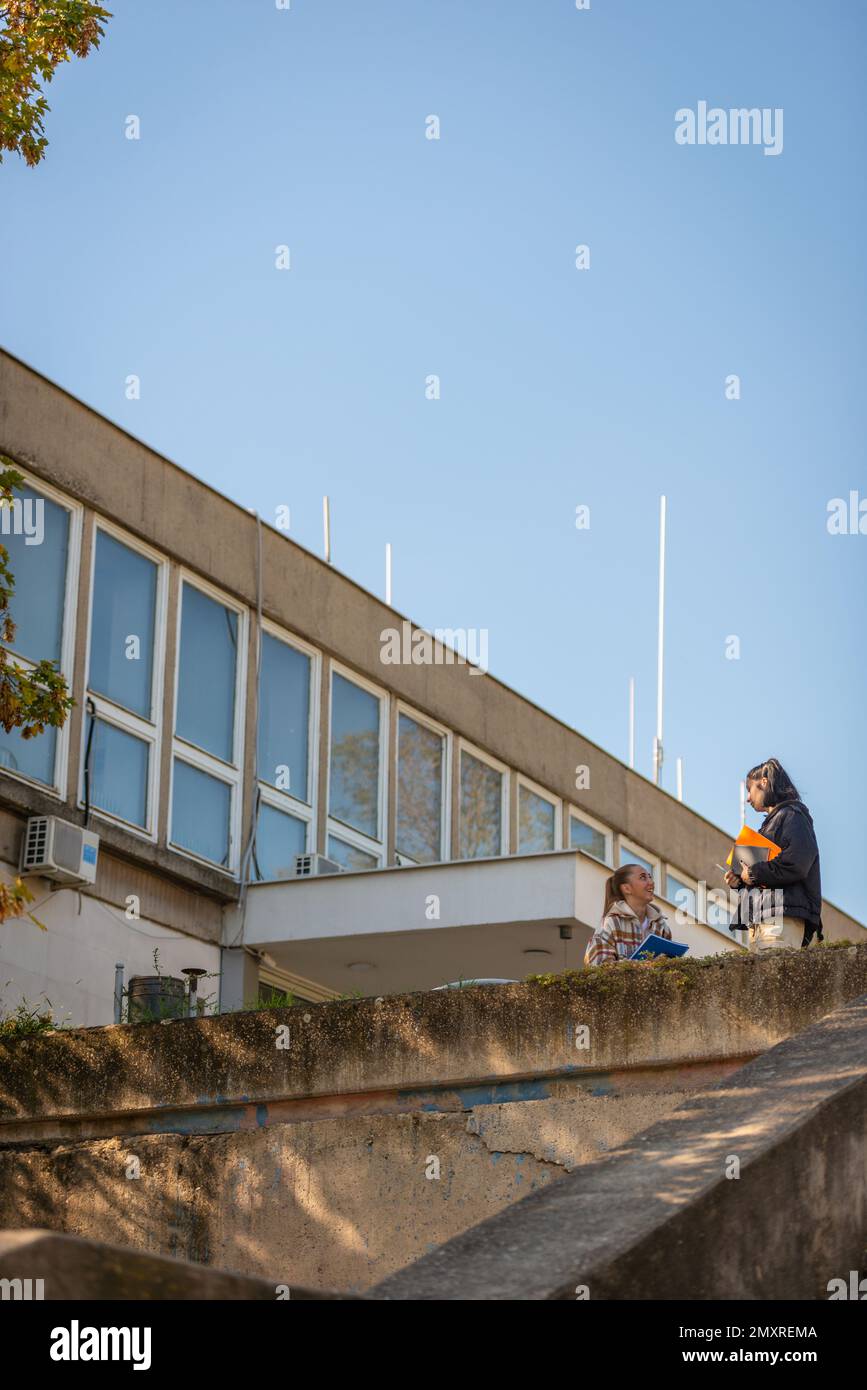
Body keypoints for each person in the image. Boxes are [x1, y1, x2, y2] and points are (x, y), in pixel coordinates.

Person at [724, 758, 823, 951]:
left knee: (773, 977)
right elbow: (769, 876)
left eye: (749, 790)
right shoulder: (775, 822)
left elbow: (795, 863)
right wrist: (741, 882)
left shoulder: (793, 815)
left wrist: (752, 874)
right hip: (765, 919)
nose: (748, 798)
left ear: (764, 782)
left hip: (780, 919)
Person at [584, 863, 671, 966]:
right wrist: (646, 965)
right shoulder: (611, 923)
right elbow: (601, 967)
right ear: (626, 888)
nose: (651, 882)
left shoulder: (661, 926)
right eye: (643, 877)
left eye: (650, 877)